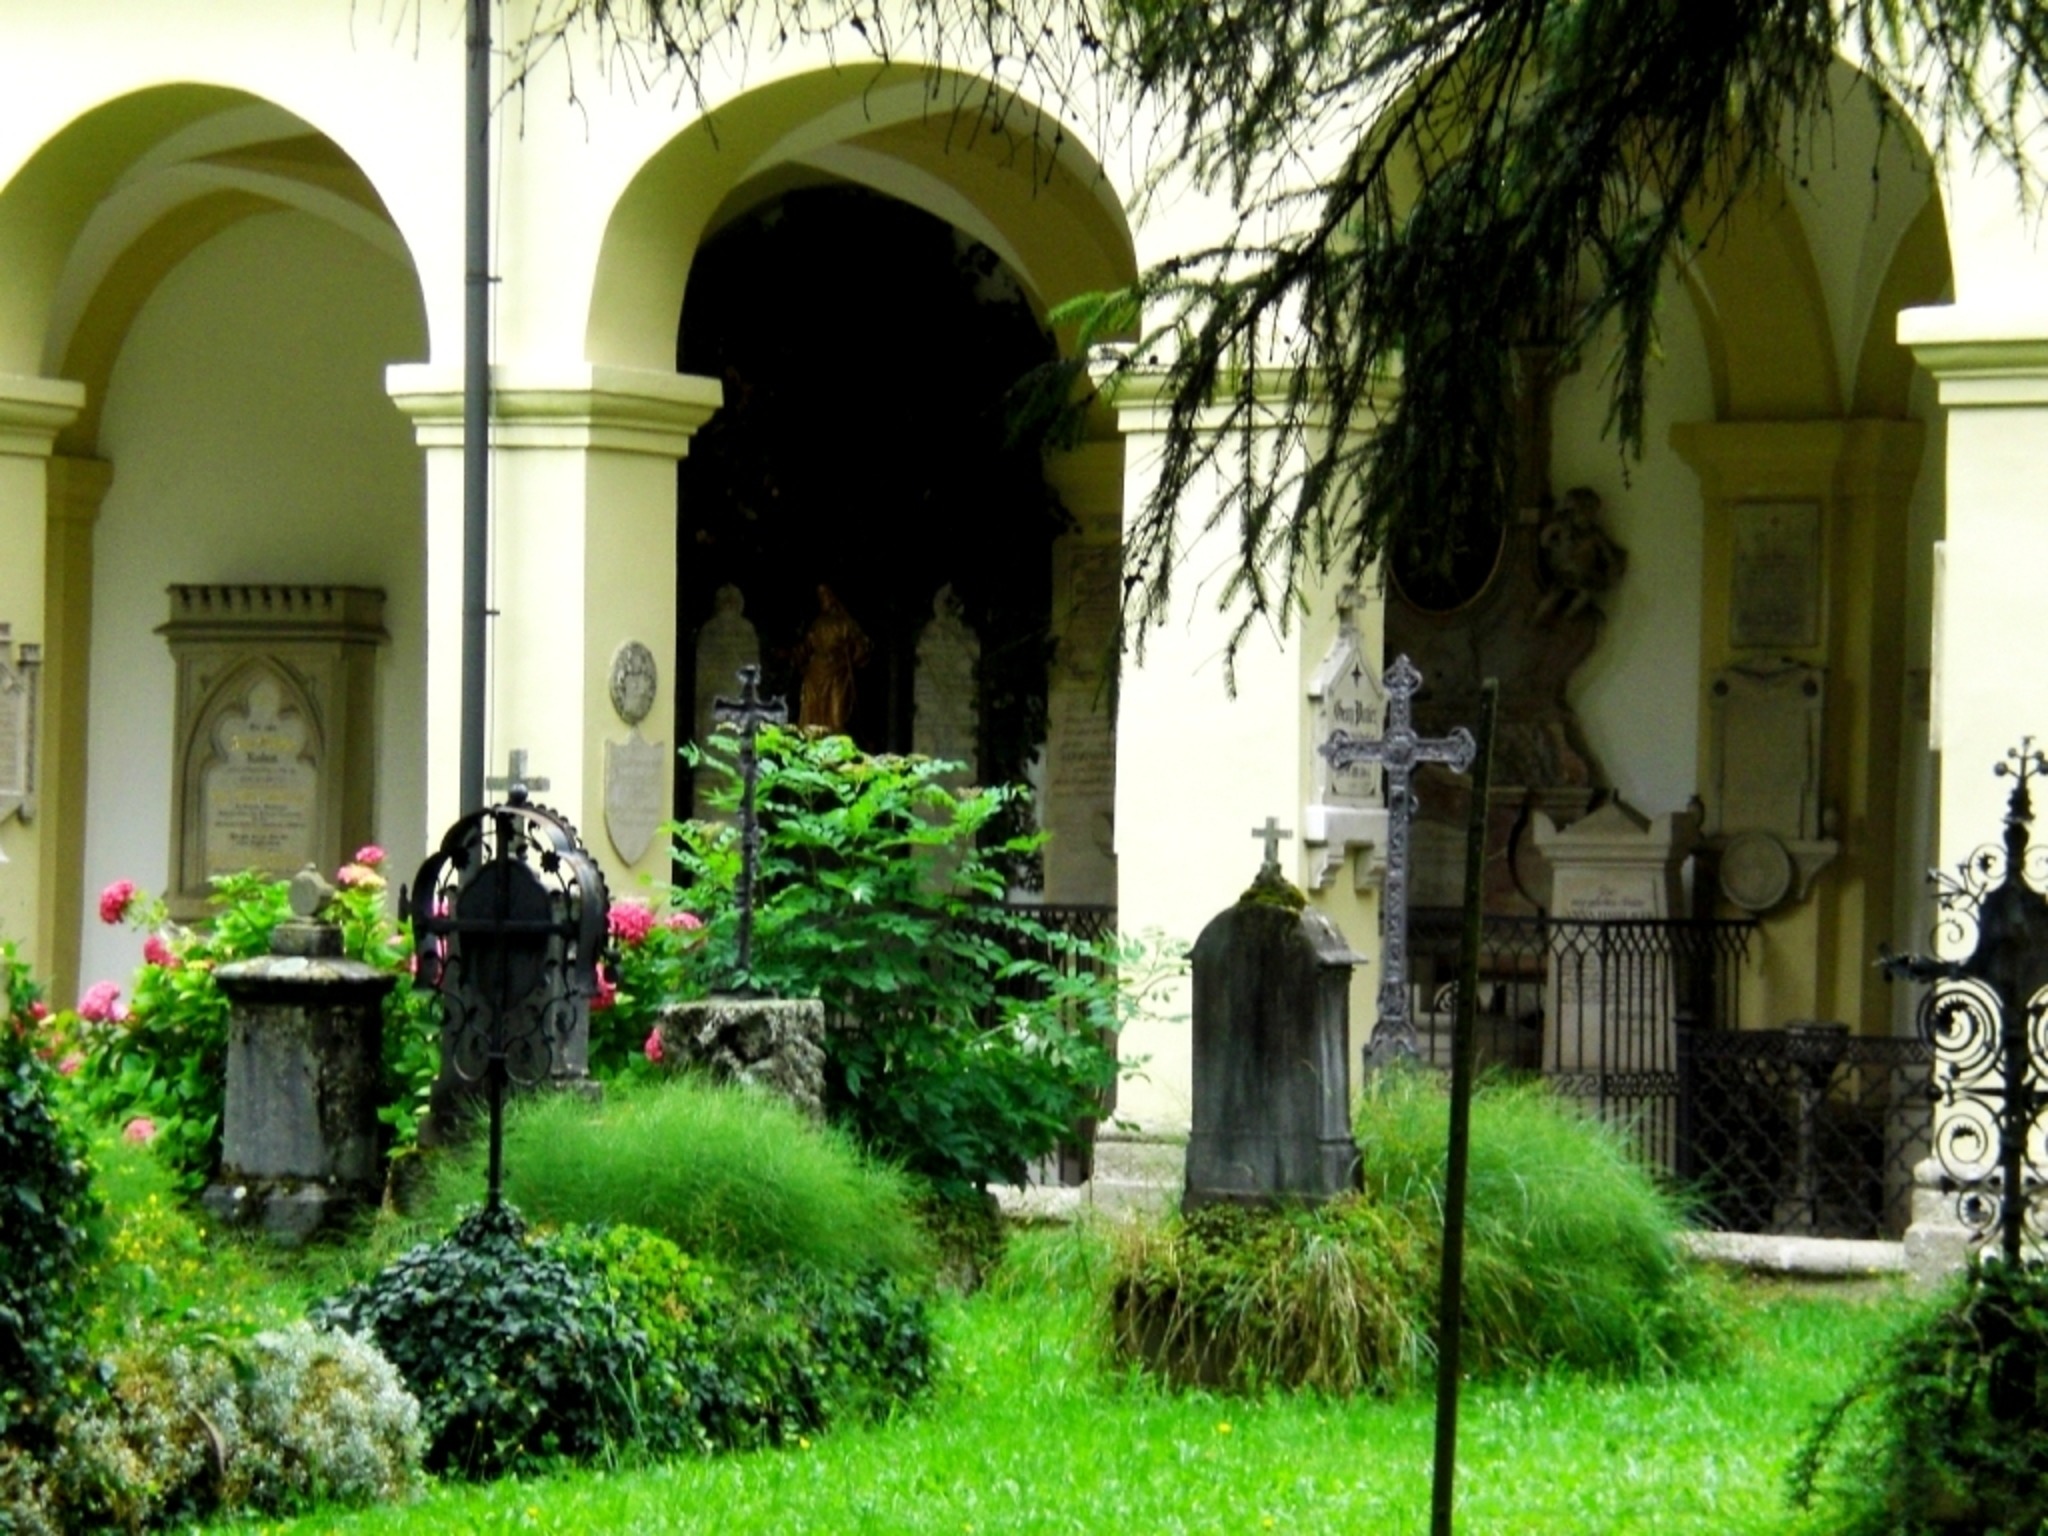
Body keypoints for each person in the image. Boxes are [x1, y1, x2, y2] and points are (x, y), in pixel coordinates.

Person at [796, 585, 869, 734]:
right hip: (816, 672)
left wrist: (854, 657)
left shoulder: (846, 623)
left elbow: (861, 646)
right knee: (812, 713)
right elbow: (806, 647)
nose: (823, 600)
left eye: (826, 595)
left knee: (837, 716)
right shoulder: (817, 624)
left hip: (837, 672)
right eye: (820, 597)